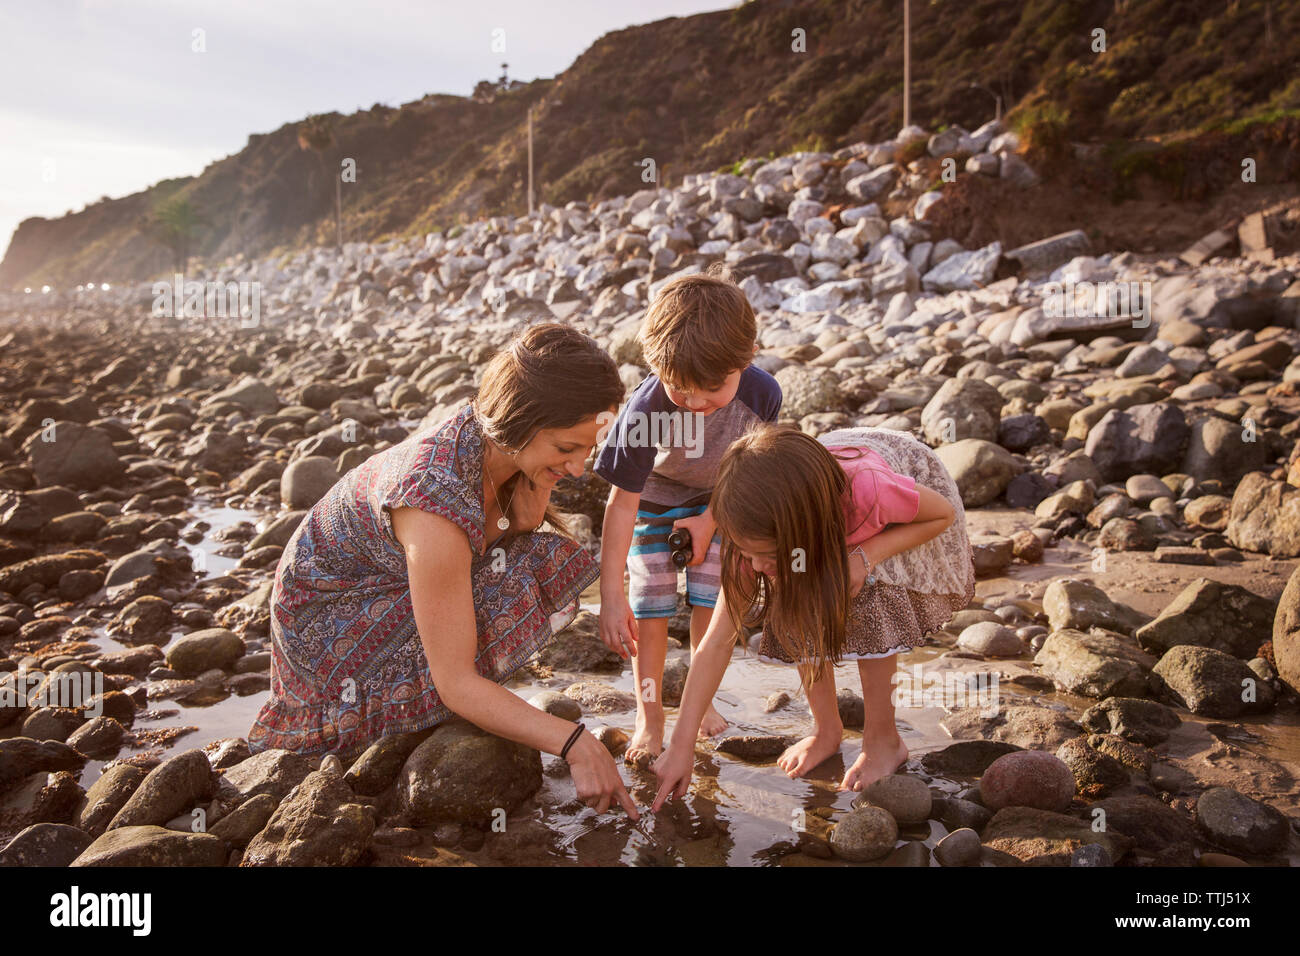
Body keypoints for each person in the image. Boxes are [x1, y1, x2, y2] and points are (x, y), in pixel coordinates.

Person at [248, 323, 638, 819]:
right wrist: (576, 743)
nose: (581, 469)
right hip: (328, 619)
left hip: (386, 582)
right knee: (462, 668)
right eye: (566, 449)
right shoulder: (435, 498)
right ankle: (379, 723)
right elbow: (455, 680)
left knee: (541, 557)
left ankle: (435, 706)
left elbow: (521, 523)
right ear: (518, 421)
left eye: (589, 448)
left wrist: (540, 477)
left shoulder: (493, 440)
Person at [651, 423, 976, 808]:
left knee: (872, 609)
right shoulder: (753, 538)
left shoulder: (870, 494)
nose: (756, 565)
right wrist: (681, 746)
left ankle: (884, 739)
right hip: (808, 503)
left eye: (768, 555)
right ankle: (826, 730)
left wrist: (863, 557)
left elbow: (942, 514)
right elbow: (714, 645)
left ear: (801, 536)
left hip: (898, 499)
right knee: (796, 605)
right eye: (747, 551)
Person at [593, 267, 781, 766]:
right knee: (651, 612)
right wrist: (612, 598)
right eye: (680, 389)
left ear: (746, 359)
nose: (695, 403)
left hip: (723, 496)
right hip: (652, 500)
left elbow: (751, 468)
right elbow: (621, 505)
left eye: (710, 390)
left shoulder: (762, 394)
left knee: (710, 606)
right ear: (655, 366)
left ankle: (703, 702)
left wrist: (712, 519)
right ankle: (649, 717)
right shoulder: (644, 409)